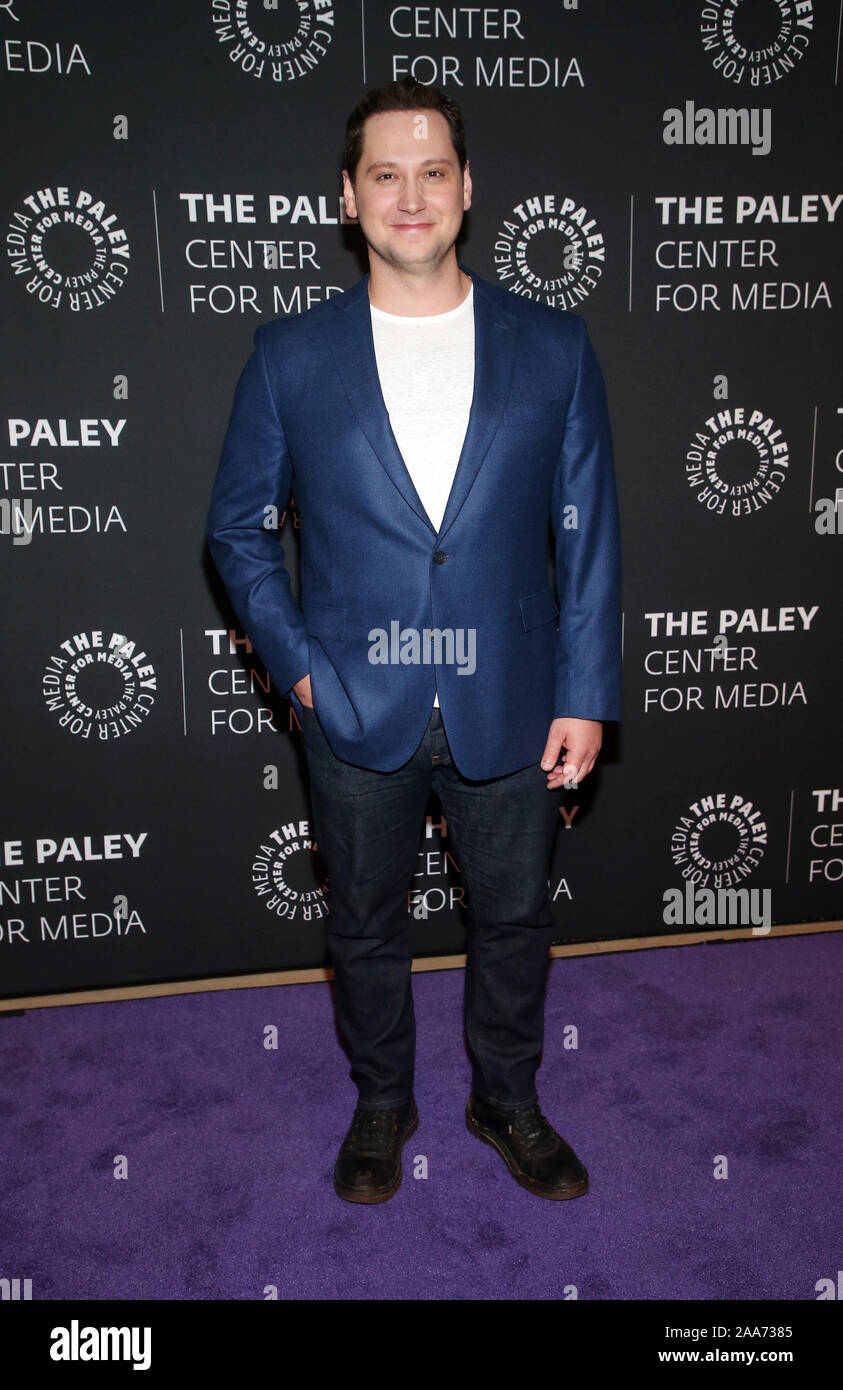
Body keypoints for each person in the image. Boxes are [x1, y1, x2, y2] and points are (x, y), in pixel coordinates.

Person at [206, 77, 622, 1205]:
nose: (410, 193)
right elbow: (238, 531)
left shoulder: (555, 346)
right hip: (351, 702)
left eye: (432, 169)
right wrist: (298, 666)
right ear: (348, 198)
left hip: (517, 698)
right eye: (383, 172)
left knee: (518, 918)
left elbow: (586, 536)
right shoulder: (291, 356)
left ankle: (507, 1097)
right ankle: (384, 1099)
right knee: (363, 921)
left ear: (468, 187)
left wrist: (587, 691)